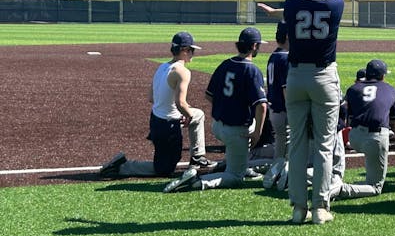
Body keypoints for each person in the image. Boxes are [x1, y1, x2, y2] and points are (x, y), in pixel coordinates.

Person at [262, 0, 345, 225]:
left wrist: (273, 11)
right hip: (324, 76)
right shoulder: (336, 3)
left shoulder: (293, 2)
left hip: (296, 75)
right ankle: (320, 207)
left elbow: (289, 11)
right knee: (323, 144)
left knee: (296, 144)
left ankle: (298, 208)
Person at [163, 27, 267, 192]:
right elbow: (261, 106)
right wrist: (258, 133)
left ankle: (238, 161)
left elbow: (209, 95)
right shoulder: (252, 70)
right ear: (254, 46)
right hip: (236, 131)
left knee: (247, 128)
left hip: (217, 127)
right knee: (235, 177)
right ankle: (198, 181)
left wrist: (226, 108)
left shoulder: (225, 64)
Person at [98, 31, 211, 178]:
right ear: (184, 50)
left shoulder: (162, 67)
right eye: (191, 50)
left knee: (198, 114)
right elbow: (180, 103)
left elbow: (152, 97)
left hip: (157, 119)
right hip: (168, 125)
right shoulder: (182, 71)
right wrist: (186, 114)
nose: (192, 54)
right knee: (164, 170)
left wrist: (186, 112)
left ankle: (197, 157)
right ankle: (122, 167)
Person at [330, 59, 395, 199]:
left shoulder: (353, 89)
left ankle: (358, 180)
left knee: (371, 151)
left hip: (354, 137)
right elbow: (393, 121)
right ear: (383, 76)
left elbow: (349, 115)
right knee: (376, 187)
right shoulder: (390, 89)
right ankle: (342, 189)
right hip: (375, 138)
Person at [262, 21, 291, 190]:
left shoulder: (274, 55)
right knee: (286, 147)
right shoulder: (286, 57)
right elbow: (286, 89)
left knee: (280, 145)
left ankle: (276, 172)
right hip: (284, 109)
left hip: (274, 108)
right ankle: (279, 175)